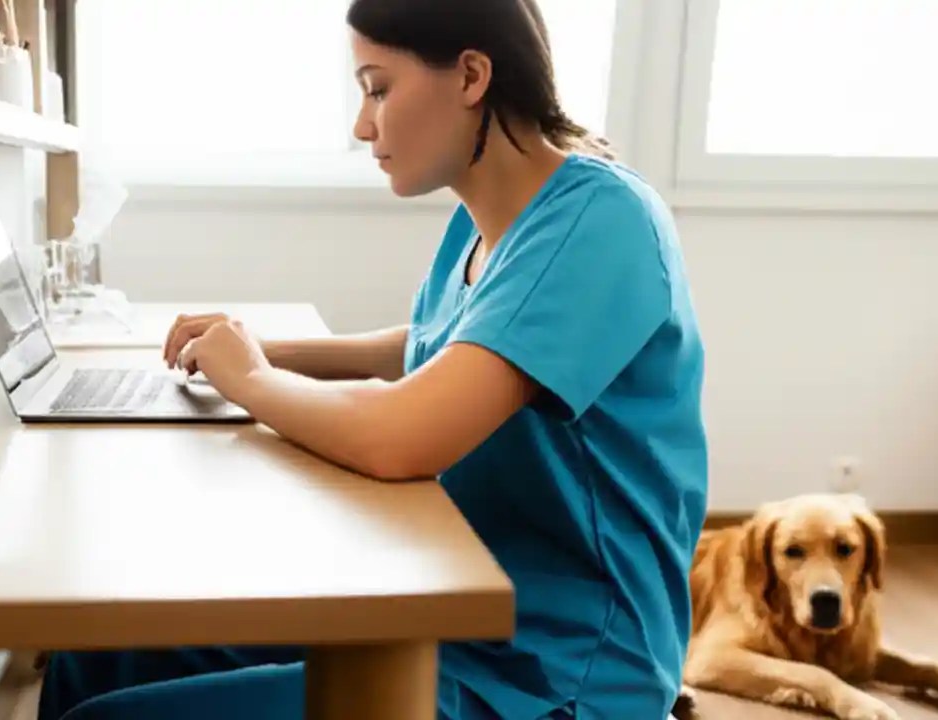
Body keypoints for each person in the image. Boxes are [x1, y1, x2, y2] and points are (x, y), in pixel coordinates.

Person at [38, 0, 707, 717]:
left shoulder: (600, 222)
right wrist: (270, 351)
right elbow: (439, 343)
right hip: (446, 604)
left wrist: (255, 380)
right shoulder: (481, 225)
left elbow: (400, 437)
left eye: (378, 88)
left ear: (472, 76)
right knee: (96, 655)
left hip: (559, 669)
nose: (363, 126)